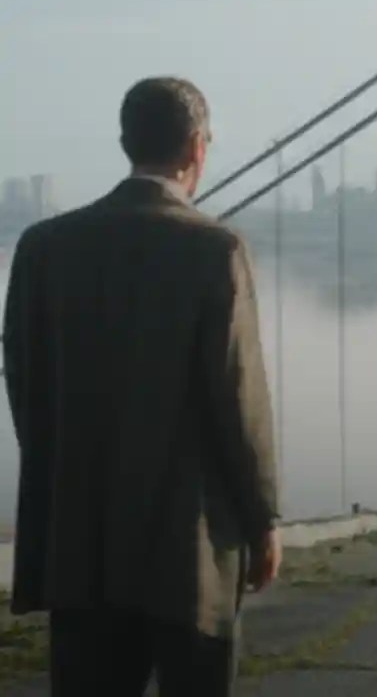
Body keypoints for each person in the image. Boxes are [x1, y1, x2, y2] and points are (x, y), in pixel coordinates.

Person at [3, 76, 281, 696]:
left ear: (126, 141)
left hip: (79, 547)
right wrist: (263, 518)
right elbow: (239, 399)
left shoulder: (42, 248)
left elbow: (24, 384)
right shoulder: (216, 249)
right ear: (197, 148)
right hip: (189, 554)